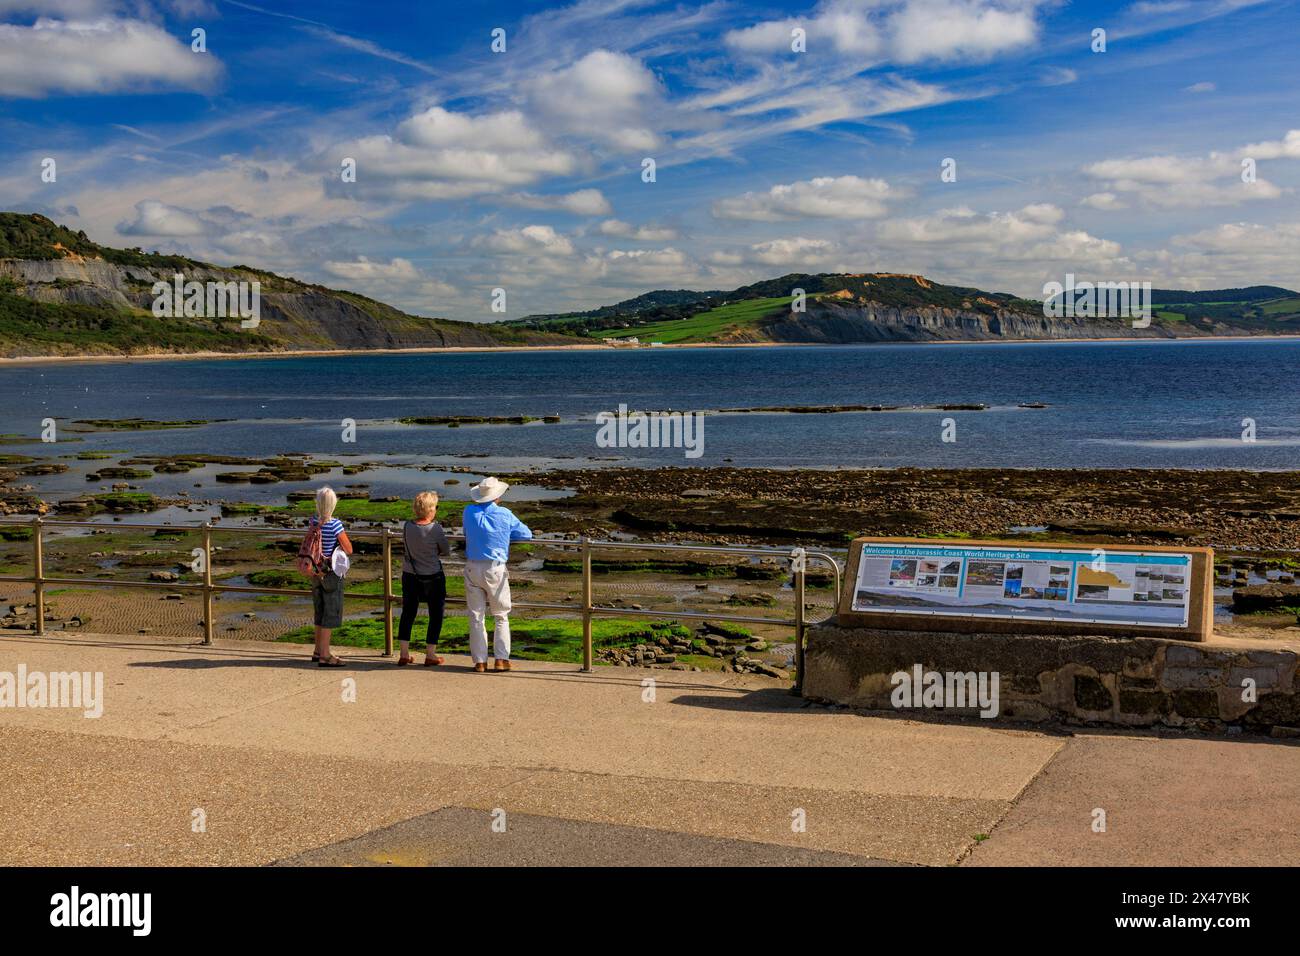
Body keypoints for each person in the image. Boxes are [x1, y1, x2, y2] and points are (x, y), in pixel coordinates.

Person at [461, 476, 532, 672]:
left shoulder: (468, 512)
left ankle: (480, 662)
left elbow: (466, 532)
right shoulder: (505, 514)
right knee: (501, 615)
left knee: (476, 616)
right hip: (495, 568)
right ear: (497, 496)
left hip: (473, 566)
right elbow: (527, 534)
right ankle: (501, 659)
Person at [397, 491, 451, 667]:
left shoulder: (407, 526)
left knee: (408, 613)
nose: (436, 509)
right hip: (433, 576)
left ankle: (404, 653)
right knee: (436, 615)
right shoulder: (435, 529)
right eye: (435, 506)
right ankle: (430, 654)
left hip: (410, 575)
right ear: (430, 509)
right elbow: (446, 550)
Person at [310, 486, 352, 667]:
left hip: (314, 569)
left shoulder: (312, 521)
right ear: (333, 504)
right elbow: (349, 548)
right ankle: (325, 655)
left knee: (319, 611)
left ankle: (317, 649)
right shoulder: (335, 524)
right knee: (330, 612)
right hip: (329, 572)